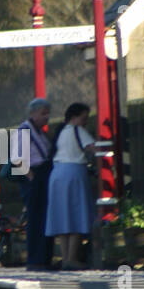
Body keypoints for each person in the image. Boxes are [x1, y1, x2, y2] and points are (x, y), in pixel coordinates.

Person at [45, 102, 95, 270]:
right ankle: (72, 258)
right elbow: (95, 149)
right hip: (74, 174)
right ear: (74, 118)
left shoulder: (59, 133)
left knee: (62, 216)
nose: (86, 122)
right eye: (84, 118)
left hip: (56, 175)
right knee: (76, 215)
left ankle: (65, 256)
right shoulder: (78, 130)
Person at [10, 98, 54, 269]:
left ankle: (44, 258)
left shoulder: (39, 132)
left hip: (42, 176)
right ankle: (35, 260)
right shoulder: (24, 132)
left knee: (44, 219)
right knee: (36, 220)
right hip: (34, 178)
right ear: (33, 113)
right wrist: (32, 178)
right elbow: (17, 158)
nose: (47, 117)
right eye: (43, 113)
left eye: (47, 113)